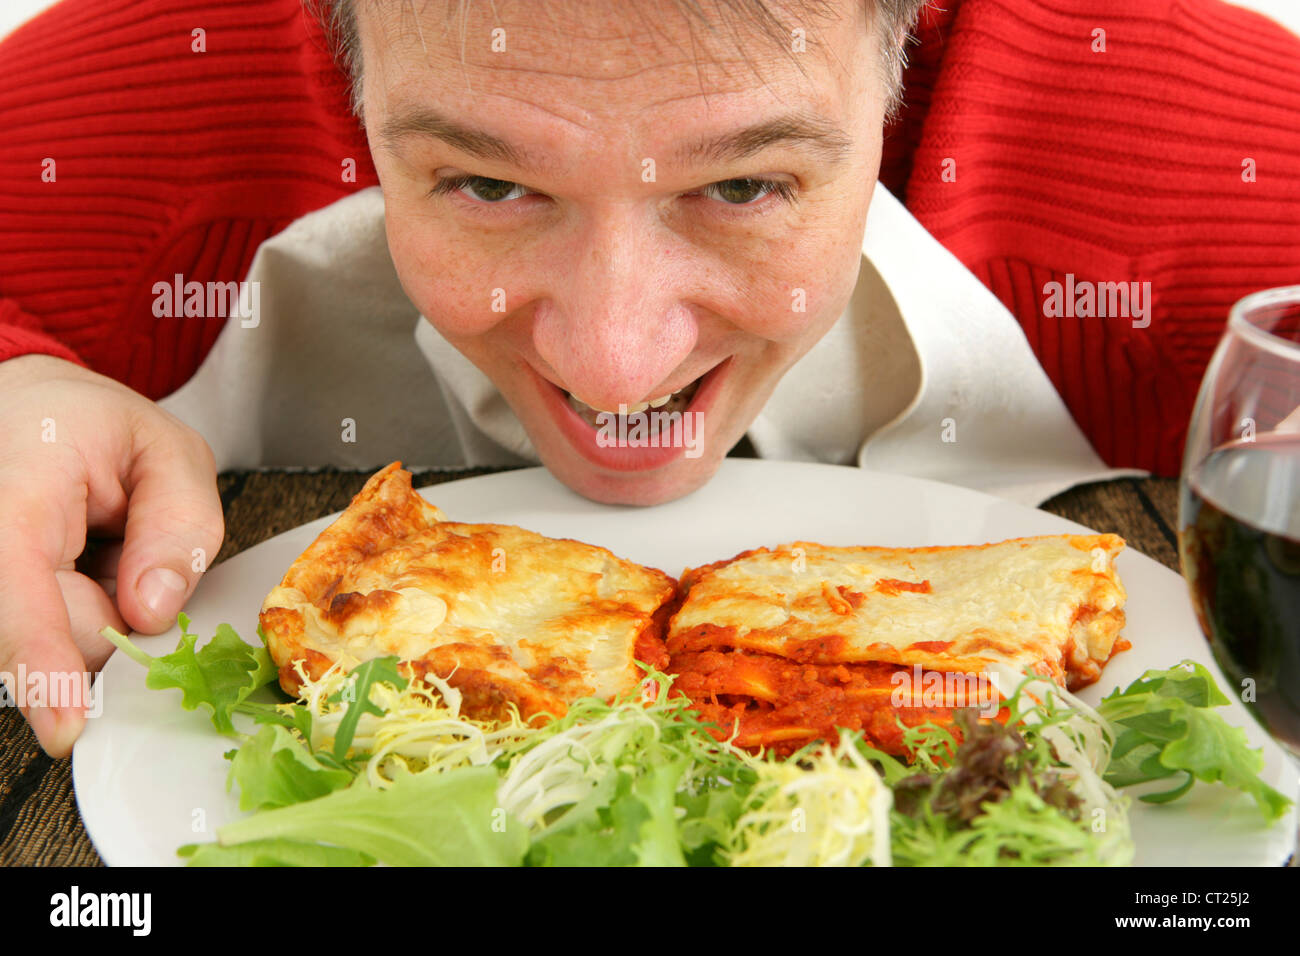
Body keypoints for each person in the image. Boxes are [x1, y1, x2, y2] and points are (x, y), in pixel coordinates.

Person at [1, 0, 1296, 758]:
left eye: (742, 184)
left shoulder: (1207, 154)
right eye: (489, 183)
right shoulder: (124, 117)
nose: (616, 359)